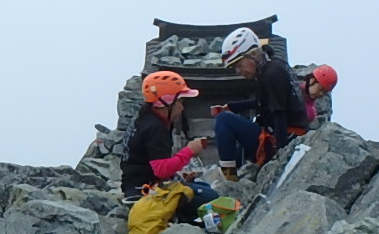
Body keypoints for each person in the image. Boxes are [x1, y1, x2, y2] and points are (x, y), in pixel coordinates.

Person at [210, 26, 310, 180]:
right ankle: (233, 173)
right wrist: (233, 107)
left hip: (281, 139)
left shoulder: (270, 75)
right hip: (292, 135)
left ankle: (229, 179)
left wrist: (280, 155)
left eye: (239, 65)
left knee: (224, 120)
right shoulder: (276, 65)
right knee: (237, 151)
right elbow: (268, 102)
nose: (238, 71)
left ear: (252, 54)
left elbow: (279, 113)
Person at [121, 71, 214, 217]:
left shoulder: (143, 121)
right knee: (210, 197)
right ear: (167, 102)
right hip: (147, 192)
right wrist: (189, 151)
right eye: (180, 102)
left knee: (202, 187)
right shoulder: (155, 127)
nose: (182, 108)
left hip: (134, 187)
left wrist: (178, 175)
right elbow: (161, 170)